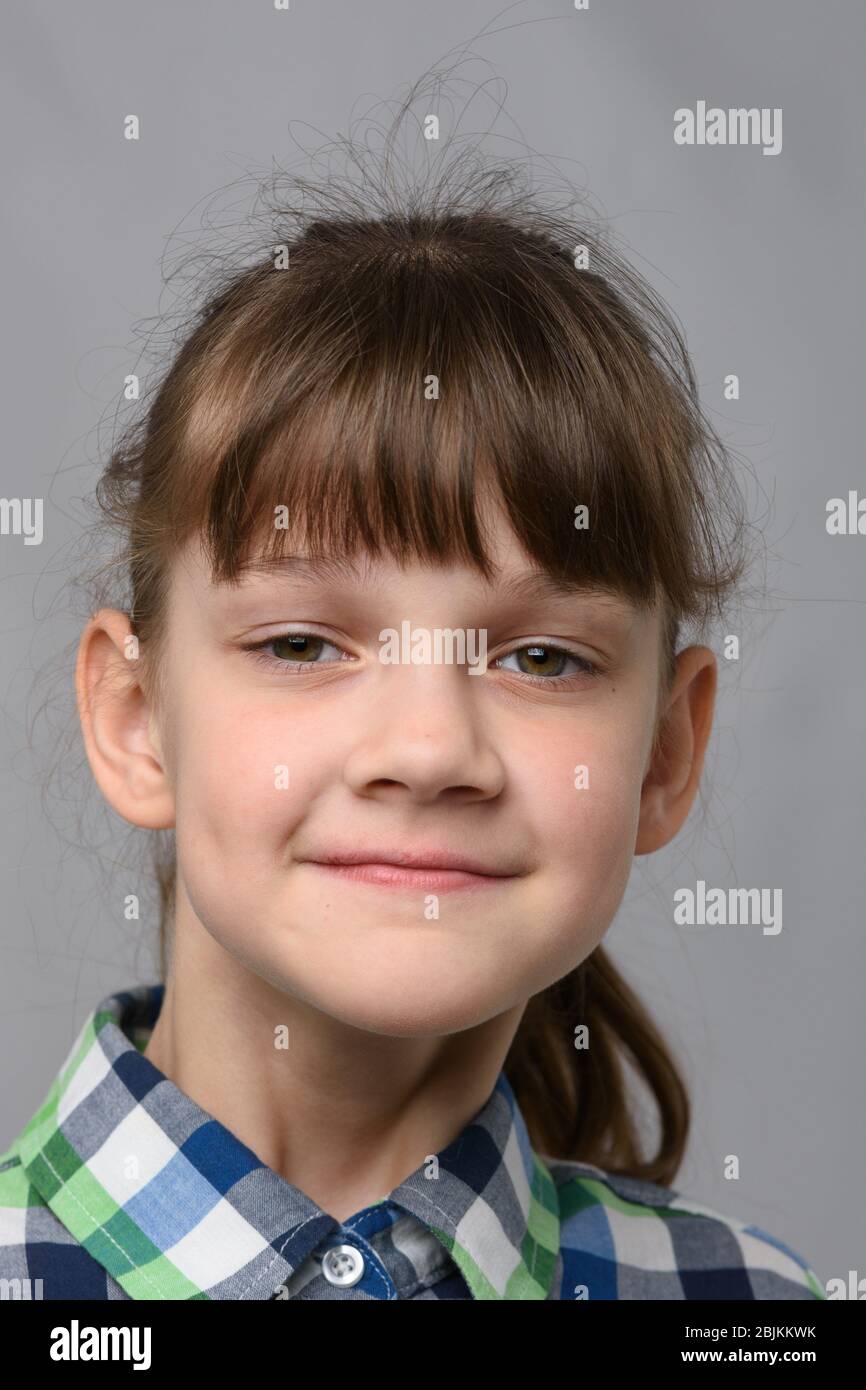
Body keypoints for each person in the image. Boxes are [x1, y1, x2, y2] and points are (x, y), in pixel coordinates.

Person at [0, 107, 826, 1301]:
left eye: (542, 659)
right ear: (135, 719)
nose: (431, 748)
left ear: (663, 754)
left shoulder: (750, 1310)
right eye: (299, 642)